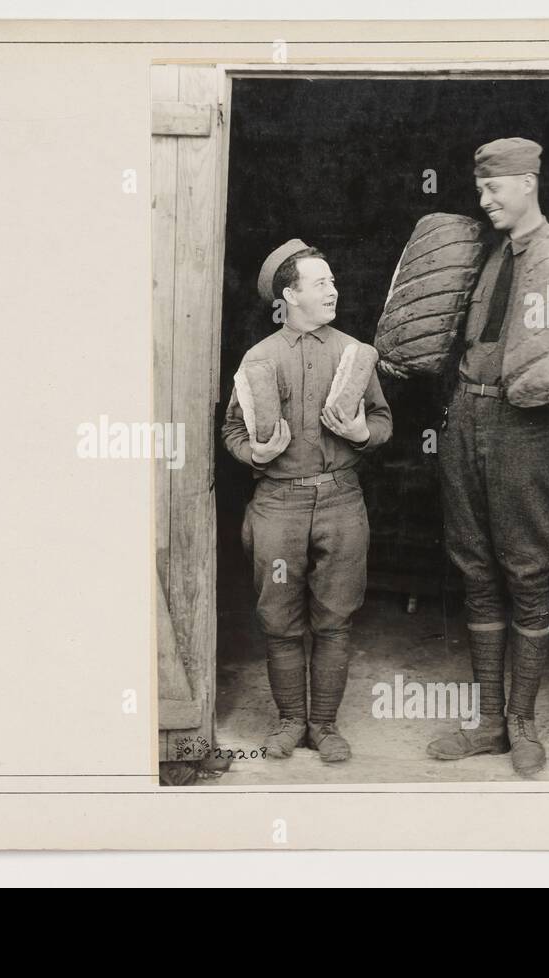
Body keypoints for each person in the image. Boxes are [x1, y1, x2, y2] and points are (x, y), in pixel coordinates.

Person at [420, 137, 549, 776]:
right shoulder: (482, 255)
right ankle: (487, 725)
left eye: (492, 189)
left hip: (526, 428)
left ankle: (522, 723)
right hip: (465, 419)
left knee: (526, 573)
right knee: (475, 572)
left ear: (526, 181)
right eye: (479, 190)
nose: (483, 201)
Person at [221, 240, 392, 762]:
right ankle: (291, 721)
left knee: (335, 619)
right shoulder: (258, 359)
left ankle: (324, 726)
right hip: (277, 506)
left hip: (341, 502)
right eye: (321, 284)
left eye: (333, 282)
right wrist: (253, 451)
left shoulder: (355, 354)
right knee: (279, 619)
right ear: (290, 295)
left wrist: (364, 432)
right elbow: (231, 428)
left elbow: (384, 422)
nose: (333, 291)